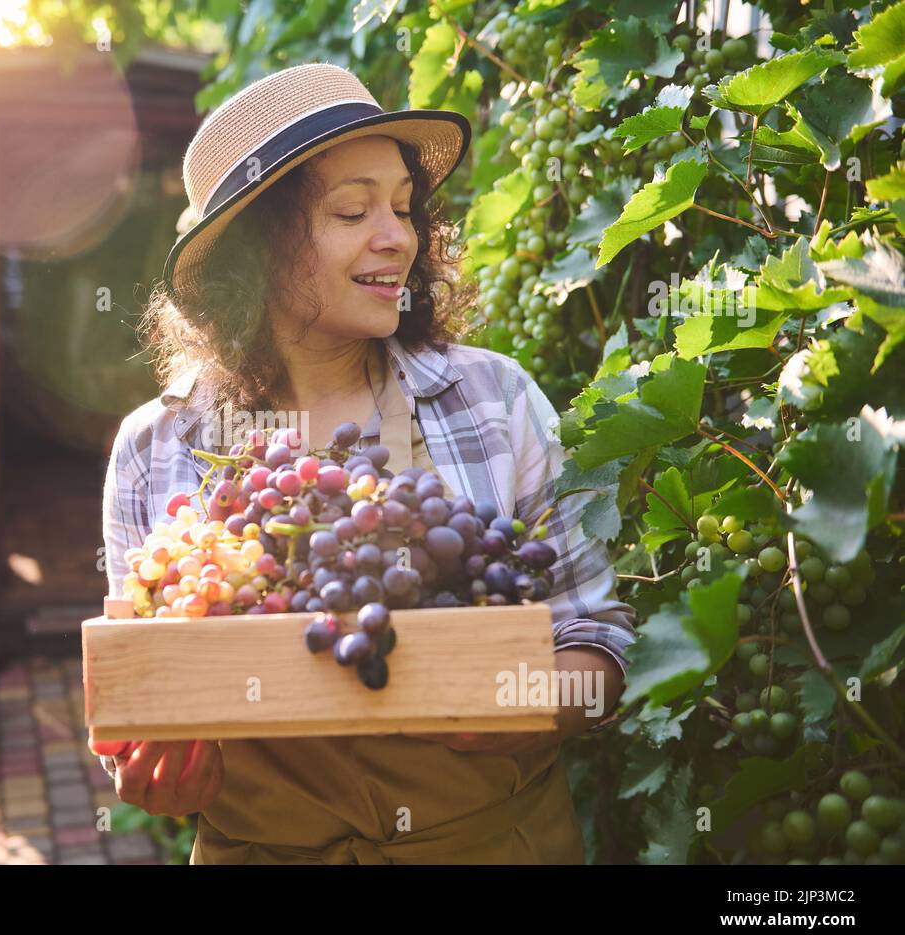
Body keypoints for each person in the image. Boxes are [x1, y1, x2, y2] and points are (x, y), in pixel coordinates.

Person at [93, 62, 637, 864]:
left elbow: (600, 644)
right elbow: (133, 697)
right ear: (256, 250)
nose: (399, 237)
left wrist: (535, 704)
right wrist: (146, 770)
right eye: (353, 210)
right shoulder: (155, 449)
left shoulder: (492, 399)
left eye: (404, 208)